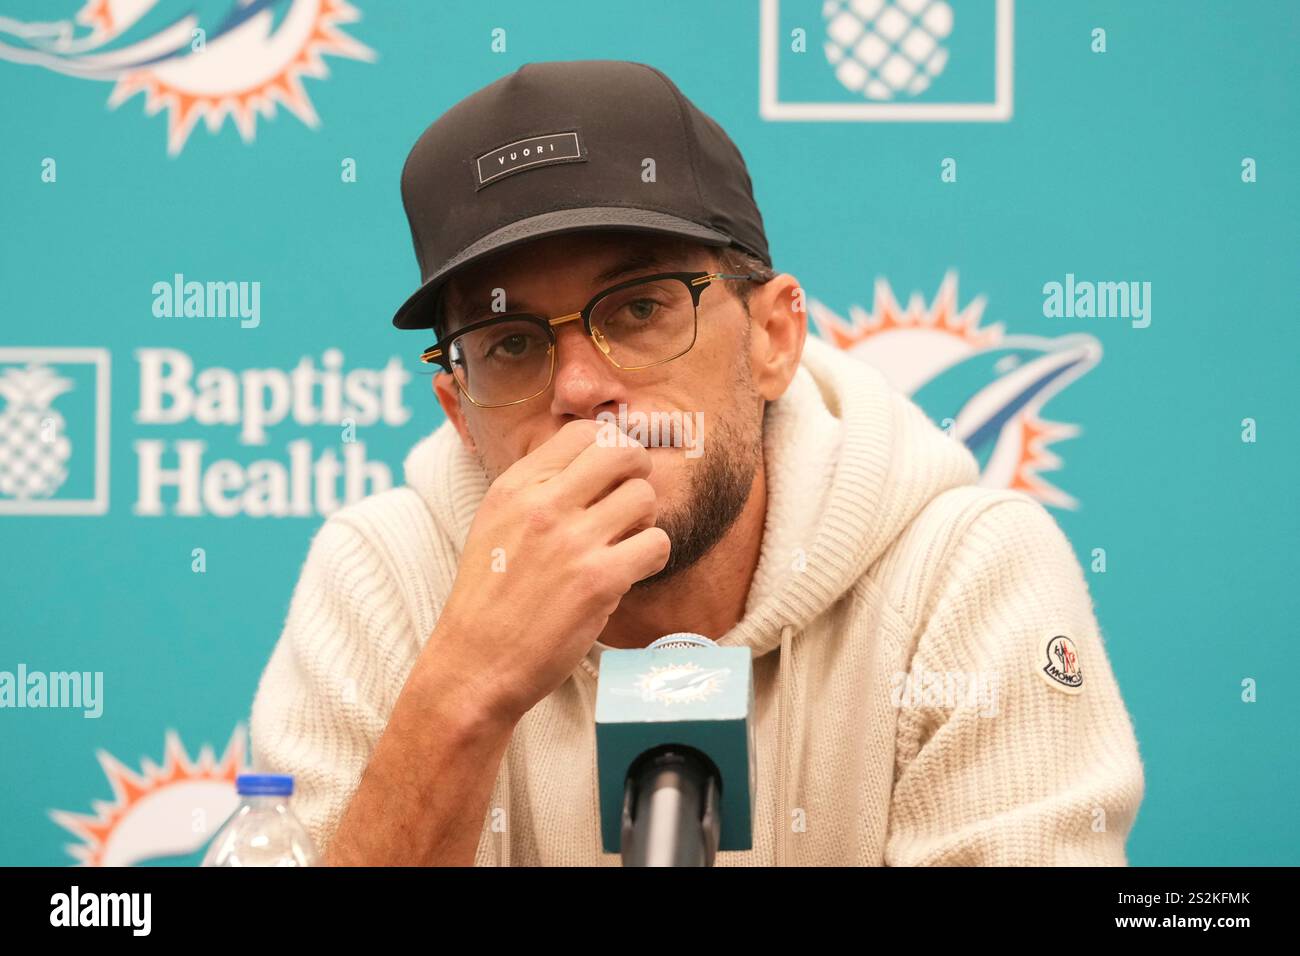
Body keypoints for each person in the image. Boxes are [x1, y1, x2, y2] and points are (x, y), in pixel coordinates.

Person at [249, 59, 1144, 866]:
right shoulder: (378, 580)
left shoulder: (967, 573)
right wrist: (459, 696)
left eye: (639, 309)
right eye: (511, 343)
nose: (582, 388)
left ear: (773, 339)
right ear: (460, 415)